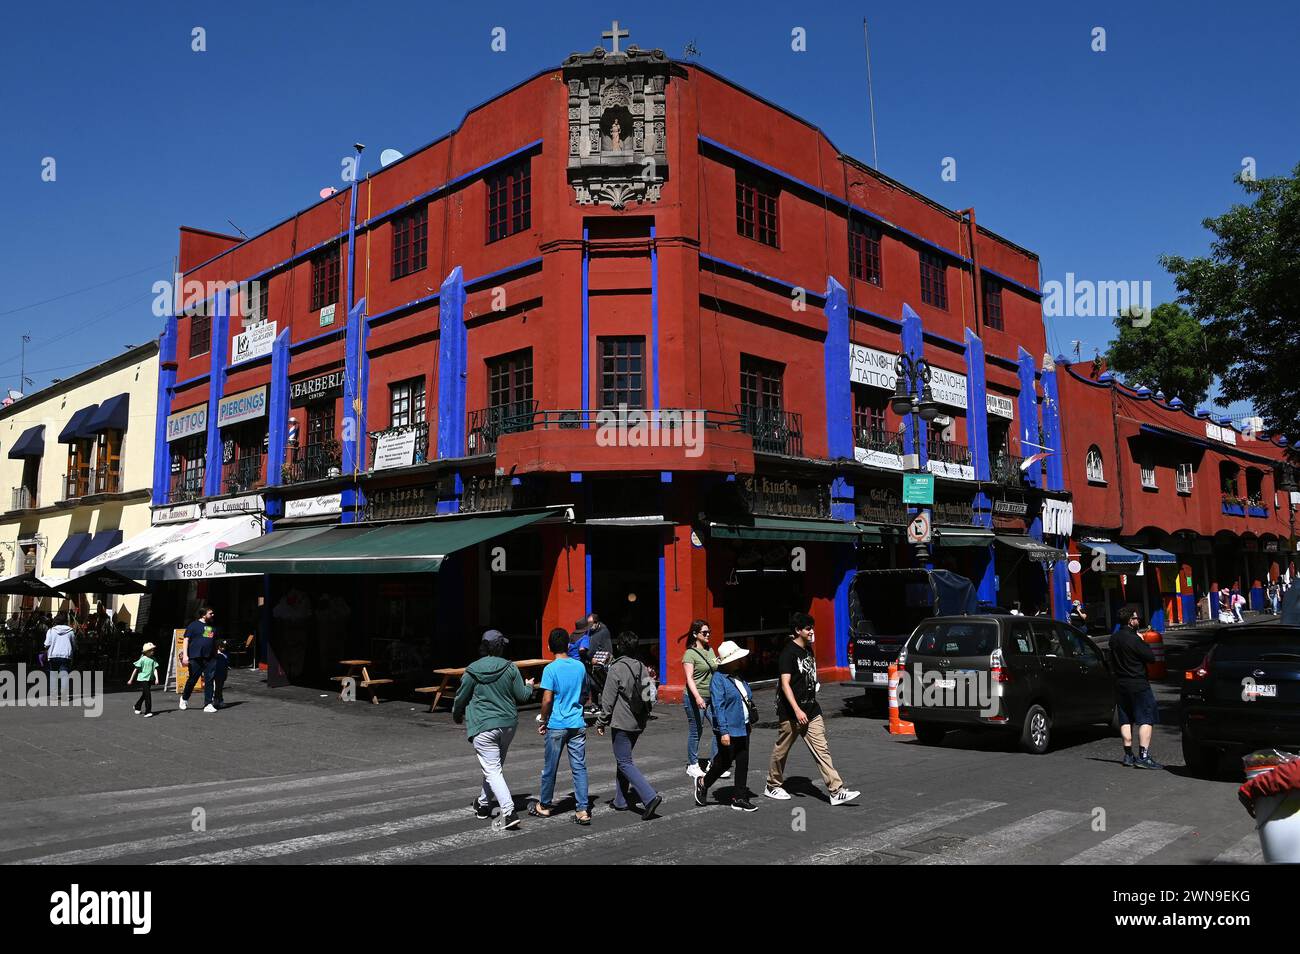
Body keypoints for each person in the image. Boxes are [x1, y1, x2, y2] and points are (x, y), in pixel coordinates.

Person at [764, 613, 861, 806]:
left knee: (822, 749)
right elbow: (785, 685)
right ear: (797, 630)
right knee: (781, 750)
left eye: (812, 628)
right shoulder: (788, 653)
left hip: (812, 710)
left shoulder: (808, 651)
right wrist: (797, 710)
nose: (811, 631)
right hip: (792, 713)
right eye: (808, 628)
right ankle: (772, 784)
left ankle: (836, 791)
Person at [452, 630, 536, 831]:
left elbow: (461, 696)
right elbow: (523, 696)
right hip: (508, 725)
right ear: (500, 646)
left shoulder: (472, 670)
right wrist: (530, 686)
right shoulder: (510, 667)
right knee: (493, 769)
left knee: (492, 769)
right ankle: (482, 805)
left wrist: (457, 713)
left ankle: (508, 812)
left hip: (483, 725)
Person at [596, 631, 663, 820]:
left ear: (620, 647)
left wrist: (601, 722)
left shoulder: (616, 668)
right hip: (637, 721)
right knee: (623, 759)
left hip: (621, 722)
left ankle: (649, 797)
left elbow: (608, 701)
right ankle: (620, 800)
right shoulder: (641, 666)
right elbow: (648, 695)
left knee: (624, 761)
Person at [533, 628, 592, 824]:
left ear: (549, 646)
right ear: (568, 645)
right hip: (577, 722)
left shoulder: (550, 669)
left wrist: (543, 719)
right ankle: (583, 809)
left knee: (550, 767)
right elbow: (585, 694)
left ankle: (545, 805)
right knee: (579, 767)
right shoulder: (579, 667)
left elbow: (547, 699)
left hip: (557, 724)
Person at [695, 640, 757, 811]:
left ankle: (740, 797)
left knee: (743, 762)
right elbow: (718, 707)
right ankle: (703, 782)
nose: (739, 661)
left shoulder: (739, 675)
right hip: (728, 729)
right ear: (728, 661)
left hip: (743, 726)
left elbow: (747, 697)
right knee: (722, 763)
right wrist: (723, 732)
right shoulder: (718, 680)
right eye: (736, 658)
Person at [1110, 608, 1162, 770]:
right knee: (1146, 718)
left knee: (1125, 719)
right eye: (1136, 618)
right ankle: (1143, 756)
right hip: (1138, 683)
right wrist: (1142, 640)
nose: (1138, 620)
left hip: (1121, 683)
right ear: (1130, 621)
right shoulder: (1135, 639)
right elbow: (1150, 658)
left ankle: (1127, 754)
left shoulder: (1114, 638)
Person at [681, 619, 720, 778]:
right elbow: (689, 678)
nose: (708, 634)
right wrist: (697, 697)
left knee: (719, 728)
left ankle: (715, 763)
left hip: (712, 697)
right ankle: (692, 764)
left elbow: (715, 669)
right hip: (695, 698)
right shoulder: (689, 653)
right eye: (704, 632)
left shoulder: (710, 650)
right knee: (696, 731)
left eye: (709, 631)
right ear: (695, 634)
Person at [180, 606, 219, 713]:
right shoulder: (193, 625)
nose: (212, 615)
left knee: (209, 680)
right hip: (195, 656)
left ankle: (208, 704)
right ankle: (184, 698)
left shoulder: (211, 626)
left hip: (210, 657)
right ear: (203, 615)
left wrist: (215, 653)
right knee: (193, 679)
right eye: (210, 613)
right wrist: (185, 656)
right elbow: (186, 640)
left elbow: (210, 639)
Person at [43, 612, 76, 701]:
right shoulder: (71, 631)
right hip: (66, 655)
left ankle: (54, 695)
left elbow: (46, 644)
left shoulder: (51, 631)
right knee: (64, 675)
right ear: (65, 621)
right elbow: (74, 644)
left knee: (53, 675)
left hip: (53, 655)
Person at [586, 612, 613, 712]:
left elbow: (605, 649)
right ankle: (595, 704)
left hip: (599, 663)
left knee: (601, 685)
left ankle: (606, 706)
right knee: (593, 684)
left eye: (591, 623)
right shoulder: (592, 631)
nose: (589, 626)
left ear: (596, 622)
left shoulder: (602, 632)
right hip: (593, 663)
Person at [129, 642, 160, 717]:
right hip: (143, 679)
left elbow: (155, 669)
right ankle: (148, 711)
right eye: (151, 650)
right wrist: (131, 679)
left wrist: (157, 679)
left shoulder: (153, 659)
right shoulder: (142, 659)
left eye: (153, 650)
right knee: (148, 694)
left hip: (150, 679)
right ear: (146, 651)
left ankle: (137, 706)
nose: (153, 651)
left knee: (145, 694)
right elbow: (135, 670)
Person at [212, 639, 230, 709]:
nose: (223, 648)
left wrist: (226, 674)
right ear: (218, 647)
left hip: (222, 673)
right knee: (216, 688)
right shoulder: (215, 654)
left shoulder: (225, 654)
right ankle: (217, 700)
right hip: (215, 673)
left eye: (224, 647)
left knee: (219, 688)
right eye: (221, 647)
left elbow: (226, 665)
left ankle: (218, 700)